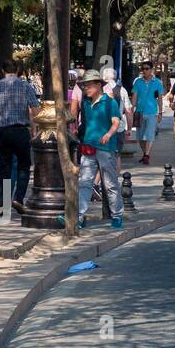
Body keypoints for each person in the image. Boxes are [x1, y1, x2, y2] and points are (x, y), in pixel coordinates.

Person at [61, 70, 123, 230]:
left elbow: (116, 122)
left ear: (98, 85)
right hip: (89, 146)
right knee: (85, 183)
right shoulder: (86, 104)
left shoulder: (110, 102)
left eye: (88, 85)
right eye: (84, 86)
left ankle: (117, 215)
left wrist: (108, 135)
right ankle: (78, 217)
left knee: (110, 183)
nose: (85, 88)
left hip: (105, 148)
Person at [0, 58, 40, 213]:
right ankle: (18, 198)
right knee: (24, 165)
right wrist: (36, 126)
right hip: (21, 130)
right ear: (17, 70)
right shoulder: (25, 86)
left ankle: (3, 203)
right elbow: (35, 109)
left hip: (2, 131)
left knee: (4, 167)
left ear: (3, 71)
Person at [130, 61, 165, 165]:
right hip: (139, 112)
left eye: (147, 68)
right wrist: (131, 109)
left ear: (151, 70)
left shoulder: (157, 82)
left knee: (149, 135)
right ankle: (145, 153)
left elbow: (159, 98)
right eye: (143, 69)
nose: (144, 71)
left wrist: (160, 112)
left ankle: (147, 155)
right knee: (140, 136)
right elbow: (134, 96)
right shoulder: (137, 82)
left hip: (151, 112)